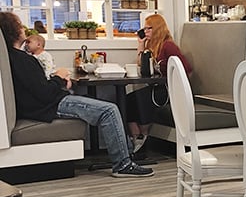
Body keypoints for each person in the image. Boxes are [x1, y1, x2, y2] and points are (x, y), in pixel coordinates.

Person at [0, 12, 152, 178]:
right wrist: (60, 77)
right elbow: (44, 94)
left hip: (39, 105)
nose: (24, 29)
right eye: (20, 25)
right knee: (109, 110)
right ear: (14, 30)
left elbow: (37, 88)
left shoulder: (11, 57)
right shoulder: (23, 60)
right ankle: (123, 164)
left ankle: (126, 157)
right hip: (47, 107)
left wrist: (61, 81)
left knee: (106, 108)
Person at [127, 13, 192, 152]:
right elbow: (141, 65)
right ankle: (136, 137)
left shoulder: (168, 46)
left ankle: (144, 136)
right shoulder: (152, 45)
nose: (145, 32)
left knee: (141, 97)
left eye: (148, 28)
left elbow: (186, 68)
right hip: (156, 87)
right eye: (144, 29)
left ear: (157, 28)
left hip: (169, 89)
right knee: (129, 99)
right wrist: (141, 45)